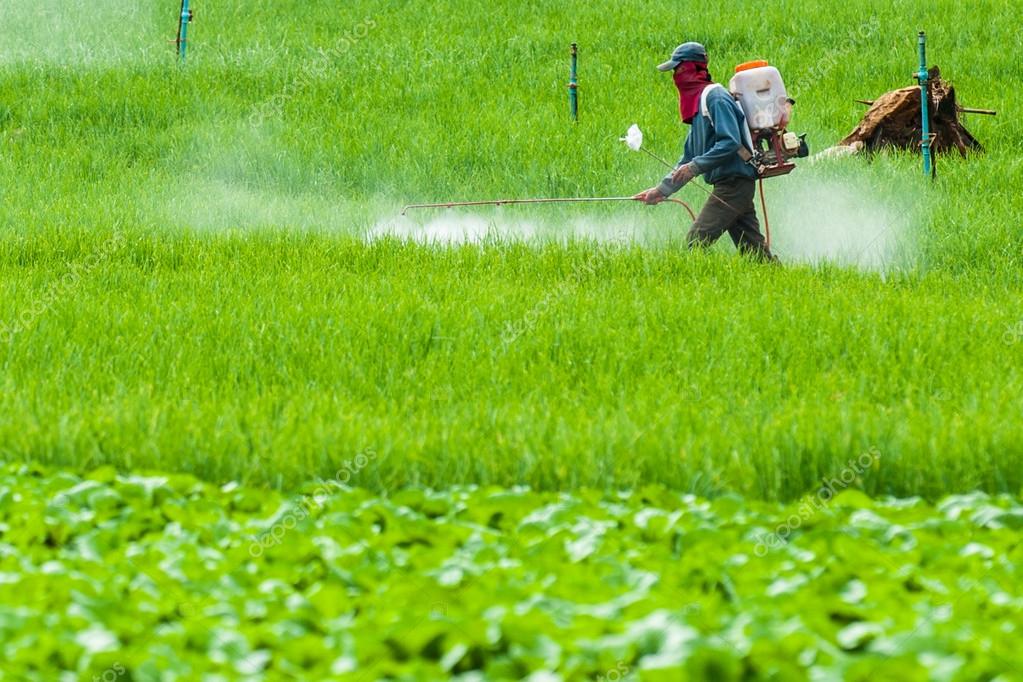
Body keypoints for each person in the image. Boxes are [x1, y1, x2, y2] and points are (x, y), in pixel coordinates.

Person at [634, 42, 776, 261]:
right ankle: (776, 280)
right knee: (754, 254)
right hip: (731, 184)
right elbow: (688, 157)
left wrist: (695, 167)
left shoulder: (715, 97)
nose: (675, 76)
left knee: (696, 242)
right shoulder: (699, 107)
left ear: (692, 68)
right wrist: (661, 190)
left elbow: (729, 142)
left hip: (734, 183)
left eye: (678, 69)